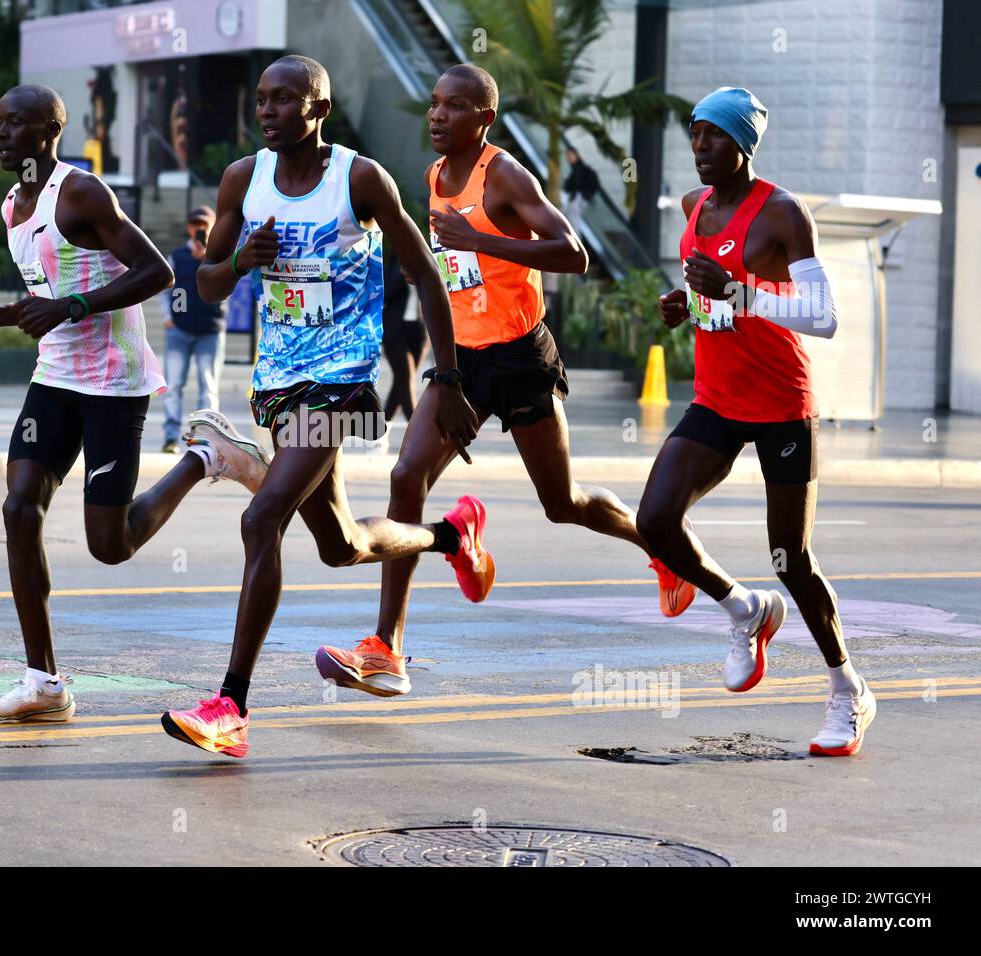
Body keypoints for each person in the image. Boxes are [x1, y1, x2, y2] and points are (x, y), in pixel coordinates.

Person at [316, 65, 695, 699]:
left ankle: (660, 547)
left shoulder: (506, 174)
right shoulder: (435, 176)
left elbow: (573, 253)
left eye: (455, 107)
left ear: (483, 119)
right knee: (406, 477)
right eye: (434, 104)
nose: (437, 116)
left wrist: (482, 240)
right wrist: (442, 318)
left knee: (562, 503)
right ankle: (388, 648)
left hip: (522, 357)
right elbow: (449, 271)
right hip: (461, 360)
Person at [159, 55, 486, 758]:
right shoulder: (241, 181)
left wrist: (449, 379)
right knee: (341, 545)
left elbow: (426, 275)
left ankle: (231, 705)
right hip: (277, 380)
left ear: (320, 109)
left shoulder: (358, 179)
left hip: (343, 381)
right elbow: (210, 287)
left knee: (261, 517)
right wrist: (242, 261)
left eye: (285, 100)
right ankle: (453, 536)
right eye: (261, 100)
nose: (269, 111)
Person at [0, 84, 268, 724]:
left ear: (48, 132)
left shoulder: (81, 192)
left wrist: (75, 307)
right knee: (19, 508)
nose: (2, 134)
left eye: (16, 125)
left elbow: (158, 273)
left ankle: (206, 459)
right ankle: (43, 682)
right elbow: (47, 292)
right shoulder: (14, 204)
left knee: (109, 546)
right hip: (56, 377)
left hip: (114, 381)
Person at [636, 87, 874, 756]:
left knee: (790, 559)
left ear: (744, 144)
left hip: (781, 406)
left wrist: (735, 293)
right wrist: (686, 303)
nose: (700, 147)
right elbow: (709, 290)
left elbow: (823, 317)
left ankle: (847, 690)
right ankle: (744, 608)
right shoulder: (694, 208)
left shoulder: (782, 213)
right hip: (716, 398)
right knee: (654, 521)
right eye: (694, 134)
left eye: (713, 135)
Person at [160, 206, 227, 453]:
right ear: (189, 227)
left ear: (212, 226)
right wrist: (168, 316)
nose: (199, 228)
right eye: (195, 224)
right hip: (180, 328)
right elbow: (165, 287)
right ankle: (170, 437)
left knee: (208, 385)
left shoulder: (221, 255)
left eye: (204, 224)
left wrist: (208, 260)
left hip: (210, 329)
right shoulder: (177, 256)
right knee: (174, 384)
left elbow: (230, 287)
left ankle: (206, 437)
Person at [381, 250, 428, 422]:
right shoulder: (390, 270)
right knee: (406, 378)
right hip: (394, 332)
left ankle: (381, 430)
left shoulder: (423, 269)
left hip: (418, 332)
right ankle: (417, 425)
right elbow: (387, 294)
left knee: (400, 383)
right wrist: (402, 272)